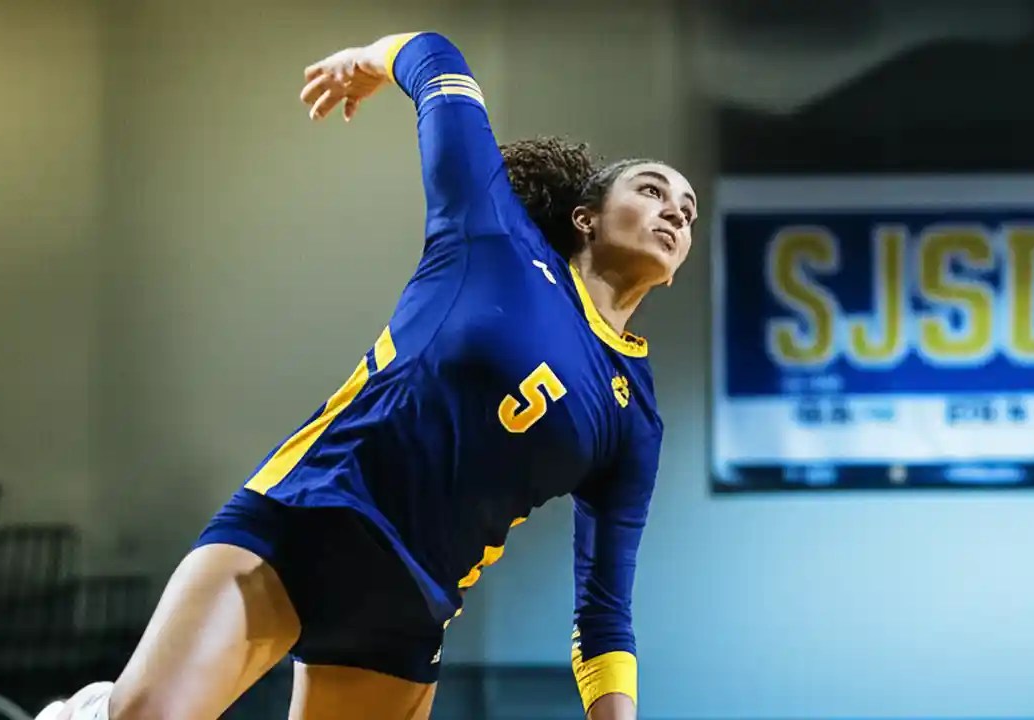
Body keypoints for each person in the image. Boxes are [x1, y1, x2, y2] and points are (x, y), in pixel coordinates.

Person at [38, 29, 696, 720]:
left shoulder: (635, 416)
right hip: (301, 524)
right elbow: (435, 57)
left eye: (686, 209)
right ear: (586, 217)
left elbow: (604, 612)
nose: (674, 212)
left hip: (405, 616)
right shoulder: (491, 233)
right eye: (652, 190)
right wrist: (365, 63)